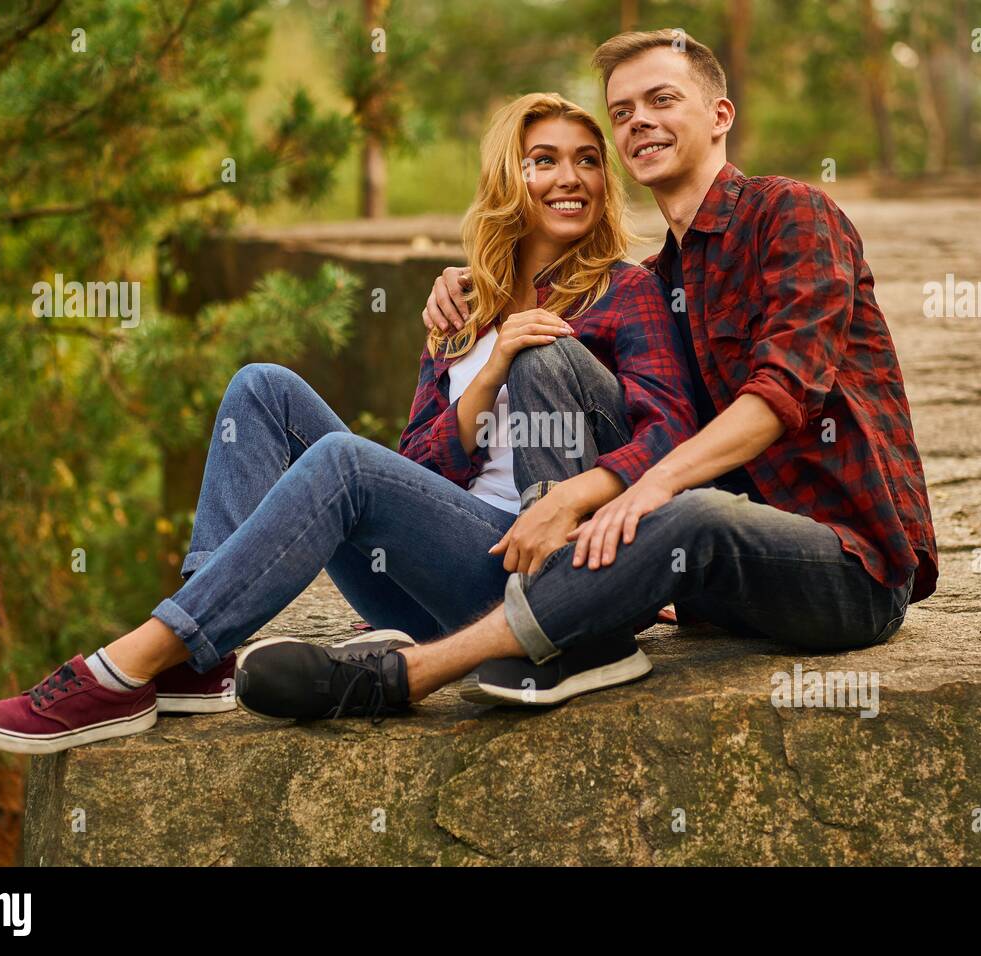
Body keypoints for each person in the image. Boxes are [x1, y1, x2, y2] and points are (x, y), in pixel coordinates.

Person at [234, 28, 939, 719]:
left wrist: (642, 488)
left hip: (850, 571)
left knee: (689, 510)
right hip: (717, 589)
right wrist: (477, 294)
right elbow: (618, 419)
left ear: (720, 115)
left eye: (662, 100)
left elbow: (782, 393)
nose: (640, 123)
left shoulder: (792, 211)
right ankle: (564, 620)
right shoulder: (661, 281)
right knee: (551, 357)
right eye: (624, 112)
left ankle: (410, 673)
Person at [0, 92, 696, 753]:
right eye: (544, 161)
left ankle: (126, 665)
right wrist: (490, 365)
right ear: (510, 179)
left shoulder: (626, 292)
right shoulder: (462, 311)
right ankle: (201, 656)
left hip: (540, 584)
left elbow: (668, 436)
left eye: (588, 162)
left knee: (349, 460)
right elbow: (424, 467)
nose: (570, 177)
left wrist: (548, 424)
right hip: (437, 579)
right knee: (262, 388)